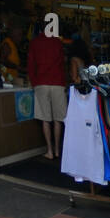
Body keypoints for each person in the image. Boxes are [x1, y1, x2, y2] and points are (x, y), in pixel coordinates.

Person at [27, 20, 68, 160]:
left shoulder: (35, 43)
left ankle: (49, 151)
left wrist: (34, 82)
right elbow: (63, 64)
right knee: (58, 120)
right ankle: (57, 150)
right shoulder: (57, 43)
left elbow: (30, 65)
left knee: (45, 119)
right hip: (58, 83)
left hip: (41, 83)